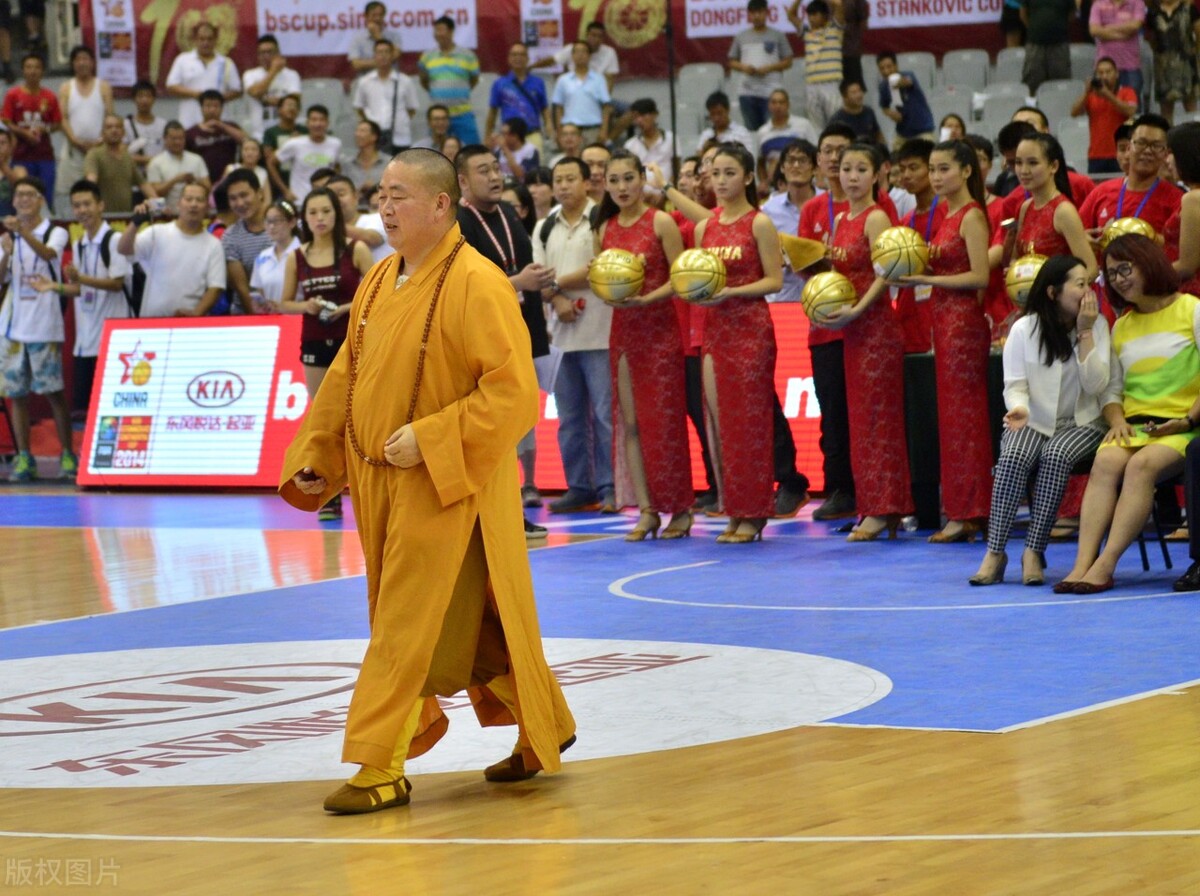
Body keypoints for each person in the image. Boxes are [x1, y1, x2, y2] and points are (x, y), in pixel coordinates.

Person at [278, 148, 576, 814]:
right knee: (472, 623)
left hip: (450, 481)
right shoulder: (382, 279)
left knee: (404, 625)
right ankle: (545, 725)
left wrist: (433, 438)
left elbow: (514, 394)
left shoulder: (479, 280)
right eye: (380, 194)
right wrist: (319, 454)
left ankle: (380, 763)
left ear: (442, 205)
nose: (385, 207)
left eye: (400, 195)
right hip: (383, 482)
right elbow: (346, 382)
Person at [1056, 234, 1200, 592]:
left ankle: (1106, 565)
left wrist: (1187, 421)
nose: (1119, 279)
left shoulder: (1192, 309)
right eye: (1111, 274)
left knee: (1141, 466)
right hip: (1134, 425)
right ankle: (1081, 564)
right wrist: (1117, 421)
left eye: (1125, 269)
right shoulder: (1122, 325)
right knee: (1104, 464)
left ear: (1148, 263)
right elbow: (1112, 389)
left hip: (1182, 425)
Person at [971, 255, 1110, 585]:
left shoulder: (1098, 325)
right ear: (1053, 292)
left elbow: (1097, 385)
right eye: (1079, 285)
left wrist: (1086, 331)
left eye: (1089, 283)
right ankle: (995, 551)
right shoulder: (1024, 328)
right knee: (1014, 457)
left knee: (1056, 456)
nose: (1088, 291)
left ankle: (1033, 550)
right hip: (1033, 418)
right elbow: (1015, 385)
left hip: (1084, 421)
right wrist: (1018, 407)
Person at [455, 145, 560, 534]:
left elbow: (520, 274)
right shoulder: (459, 224)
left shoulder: (510, 216)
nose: (495, 176)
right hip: (482, 344)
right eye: (484, 170)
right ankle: (497, 514)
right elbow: (462, 286)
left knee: (519, 422)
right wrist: (519, 282)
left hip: (520, 333)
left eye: (496, 168)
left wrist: (538, 324)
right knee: (491, 432)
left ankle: (515, 501)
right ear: (463, 181)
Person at [590, 150, 691, 538]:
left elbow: (682, 277)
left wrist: (648, 298)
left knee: (665, 423)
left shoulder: (661, 221)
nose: (621, 187)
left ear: (641, 179)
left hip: (661, 332)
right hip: (624, 333)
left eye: (628, 178)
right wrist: (607, 293)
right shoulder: (605, 229)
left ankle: (680, 509)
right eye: (613, 180)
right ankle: (647, 510)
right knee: (630, 424)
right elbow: (603, 280)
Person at [898, 139, 994, 542]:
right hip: (943, 319)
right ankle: (960, 508)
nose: (936, 177)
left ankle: (970, 511)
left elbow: (980, 277)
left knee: (966, 419)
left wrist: (928, 279)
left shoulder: (971, 215)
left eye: (944, 169)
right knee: (952, 420)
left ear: (967, 171)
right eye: (932, 170)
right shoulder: (945, 213)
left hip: (962, 322)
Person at [817, 141, 913, 540]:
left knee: (880, 420)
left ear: (877, 175)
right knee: (860, 422)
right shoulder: (841, 220)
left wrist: (859, 310)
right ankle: (875, 505)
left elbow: (886, 273)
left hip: (874, 329)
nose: (851, 177)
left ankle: (884, 507)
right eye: (845, 169)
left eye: (860, 169)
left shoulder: (876, 219)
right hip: (852, 331)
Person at [694, 142, 784, 542]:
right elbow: (697, 276)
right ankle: (734, 509)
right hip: (715, 328)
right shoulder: (704, 226)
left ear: (748, 177)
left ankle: (753, 512)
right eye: (716, 173)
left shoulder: (759, 223)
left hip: (750, 328)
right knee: (721, 423)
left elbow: (774, 281)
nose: (722, 180)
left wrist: (730, 292)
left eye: (730, 172)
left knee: (750, 422)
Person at [277, 185, 374, 519]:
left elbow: (376, 295)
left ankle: (362, 485)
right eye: (313, 213)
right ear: (304, 218)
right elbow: (284, 301)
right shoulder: (297, 256)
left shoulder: (356, 249)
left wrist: (345, 307)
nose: (320, 218)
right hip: (315, 341)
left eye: (326, 211)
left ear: (337, 213)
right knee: (322, 417)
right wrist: (306, 304)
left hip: (352, 342)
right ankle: (326, 491)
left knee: (359, 414)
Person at [533, 157, 615, 514]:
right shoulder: (544, 226)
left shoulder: (602, 218)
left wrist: (555, 285)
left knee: (604, 415)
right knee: (569, 418)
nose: (564, 185)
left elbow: (602, 269)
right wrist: (559, 297)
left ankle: (611, 487)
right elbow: (536, 278)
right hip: (561, 335)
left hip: (600, 331)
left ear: (586, 182)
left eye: (570, 178)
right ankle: (580, 486)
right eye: (558, 179)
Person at [28, 179, 130, 418]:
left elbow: (117, 284)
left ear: (101, 205)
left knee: (112, 411)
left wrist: (81, 278)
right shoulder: (80, 243)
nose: (82, 211)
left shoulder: (113, 240)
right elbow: (79, 289)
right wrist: (54, 286)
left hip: (112, 339)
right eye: (77, 206)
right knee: (85, 414)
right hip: (86, 341)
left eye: (87, 204)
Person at [798, 123, 858, 520]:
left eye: (842, 151)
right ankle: (838, 488)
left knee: (868, 412)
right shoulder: (812, 210)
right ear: (818, 161)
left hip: (863, 324)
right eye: (828, 151)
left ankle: (873, 488)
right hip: (823, 328)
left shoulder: (875, 207)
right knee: (832, 414)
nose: (834, 158)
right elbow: (805, 269)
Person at [0, 175, 72, 481]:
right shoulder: (8, 237)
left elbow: (48, 254)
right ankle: (25, 457)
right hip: (14, 326)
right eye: (20, 196)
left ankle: (68, 454)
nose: (24, 199)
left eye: (30, 194)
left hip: (44, 324)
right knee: (16, 394)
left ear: (41, 199)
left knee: (53, 391)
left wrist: (22, 234)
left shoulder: (55, 231)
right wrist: (7, 251)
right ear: (14, 202)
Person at [991, 133, 1098, 291]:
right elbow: (1017, 259)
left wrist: (1060, 296)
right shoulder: (1025, 207)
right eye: (1018, 163)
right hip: (1031, 303)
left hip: (1056, 308)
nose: (1023, 170)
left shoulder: (1063, 211)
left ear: (1053, 166)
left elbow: (1091, 269)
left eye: (1033, 163)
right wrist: (1015, 274)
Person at [117, 182, 226, 317]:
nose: (193, 204)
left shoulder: (214, 244)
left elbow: (215, 287)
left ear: (208, 208)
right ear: (178, 204)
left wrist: (195, 316)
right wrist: (135, 222)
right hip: (151, 324)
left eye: (199, 200)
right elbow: (123, 249)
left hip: (189, 327)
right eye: (188, 199)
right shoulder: (157, 232)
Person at [1078, 113, 1183, 237]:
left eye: (1156, 146)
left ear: (1165, 153)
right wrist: (1084, 240)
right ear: (1128, 148)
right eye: (1141, 143)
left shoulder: (1176, 201)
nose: (1147, 151)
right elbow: (1076, 235)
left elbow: (1180, 249)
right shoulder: (1100, 193)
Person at [56, 45, 111, 213]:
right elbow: (62, 118)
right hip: (73, 149)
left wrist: (99, 141)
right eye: (78, 60)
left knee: (97, 193)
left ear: (93, 62)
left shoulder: (103, 87)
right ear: (73, 64)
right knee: (66, 192)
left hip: (98, 150)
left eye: (85, 59)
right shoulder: (66, 87)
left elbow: (110, 117)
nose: (82, 63)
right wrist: (75, 141)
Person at [763, 139, 818, 304]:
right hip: (783, 296)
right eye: (790, 160)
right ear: (782, 167)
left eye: (802, 161)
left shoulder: (827, 202)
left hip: (822, 293)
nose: (795, 166)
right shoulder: (769, 209)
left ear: (814, 168)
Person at [1, 53, 60, 204]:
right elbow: (6, 120)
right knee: (22, 196)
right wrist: (24, 133)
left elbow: (57, 124)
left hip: (45, 156)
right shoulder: (13, 95)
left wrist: (43, 129)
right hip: (20, 155)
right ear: (23, 70)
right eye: (29, 67)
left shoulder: (50, 96)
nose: (33, 71)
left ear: (42, 71)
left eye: (37, 67)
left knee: (45, 197)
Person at [729, 0, 795, 133]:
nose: (757, 16)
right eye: (753, 13)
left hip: (771, 92)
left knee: (773, 129)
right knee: (752, 132)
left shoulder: (778, 35)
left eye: (760, 12)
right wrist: (744, 68)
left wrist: (769, 68)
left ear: (767, 13)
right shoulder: (741, 36)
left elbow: (788, 61)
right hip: (747, 92)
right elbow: (731, 61)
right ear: (749, 15)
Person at [166, 21, 242, 131]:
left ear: (216, 40)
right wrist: (197, 95)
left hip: (219, 122)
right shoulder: (183, 60)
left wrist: (215, 100)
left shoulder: (226, 62)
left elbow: (237, 90)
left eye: (209, 39)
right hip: (189, 122)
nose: (205, 43)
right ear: (195, 39)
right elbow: (171, 86)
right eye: (201, 39)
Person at [418, 16, 481, 145]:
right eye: (436, 30)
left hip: (462, 115)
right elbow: (424, 81)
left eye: (442, 30)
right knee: (436, 155)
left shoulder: (468, 55)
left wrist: (456, 91)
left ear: (451, 31)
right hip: (438, 118)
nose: (438, 34)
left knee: (471, 151)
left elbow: (473, 80)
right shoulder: (427, 56)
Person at [1070, 57, 1139, 175]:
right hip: (1096, 155)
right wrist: (1086, 92)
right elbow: (1074, 113)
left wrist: (1108, 95)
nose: (1104, 76)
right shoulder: (1091, 96)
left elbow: (1130, 111)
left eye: (1108, 72)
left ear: (1116, 74)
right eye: (1100, 73)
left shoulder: (1127, 92)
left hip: (1120, 153)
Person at [786, 0, 845, 130]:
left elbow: (839, 4)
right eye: (809, 15)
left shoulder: (835, 29)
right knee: (816, 128)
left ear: (825, 15)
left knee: (836, 125)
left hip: (831, 85)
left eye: (815, 15)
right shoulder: (807, 32)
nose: (811, 18)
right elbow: (790, 15)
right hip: (811, 85)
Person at [221, 169, 273, 315]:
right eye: (233, 198)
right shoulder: (230, 237)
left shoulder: (283, 226)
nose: (240, 203)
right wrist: (257, 321)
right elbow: (242, 289)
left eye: (244, 195)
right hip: (246, 314)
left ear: (260, 193)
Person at [353, 38, 418, 153]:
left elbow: (411, 109)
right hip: (374, 139)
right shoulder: (365, 82)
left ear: (393, 55)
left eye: (386, 52)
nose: (383, 56)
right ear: (374, 56)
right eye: (379, 52)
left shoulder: (405, 81)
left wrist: (399, 121)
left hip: (400, 138)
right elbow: (359, 108)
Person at [83, 113, 155, 214]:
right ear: (102, 132)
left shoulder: (128, 157)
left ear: (123, 132)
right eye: (109, 127)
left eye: (118, 127)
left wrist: (159, 205)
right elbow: (90, 185)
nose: (114, 130)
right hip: (102, 218)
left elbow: (144, 185)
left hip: (125, 218)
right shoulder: (94, 155)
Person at [271, 104, 342, 204]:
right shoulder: (295, 143)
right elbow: (271, 162)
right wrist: (285, 191)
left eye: (322, 120)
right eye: (314, 120)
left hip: (326, 200)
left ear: (327, 123)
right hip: (299, 201)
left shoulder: (336, 144)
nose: (318, 124)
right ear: (307, 123)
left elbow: (337, 167)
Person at [487, 44, 551, 151]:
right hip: (509, 137)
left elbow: (544, 108)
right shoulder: (500, 83)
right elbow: (492, 112)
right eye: (514, 55)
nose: (518, 58)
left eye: (522, 55)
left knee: (535, 167)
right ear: (508, 58)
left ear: (527, 58)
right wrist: (487, 135)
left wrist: (549, 127)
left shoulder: (538, 82)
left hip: (533, 135)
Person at [1145, 0, 1199, 123]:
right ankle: (1168, 139)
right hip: (1163, 67)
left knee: (1191, 106)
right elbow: (1151, 39)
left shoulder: (1189, 9)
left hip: (1186, 65)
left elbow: (1198, 32)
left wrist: (1193, 52)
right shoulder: (1153, 12)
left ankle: (1194, 138)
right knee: (1166, 109)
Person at [551, 41, 612, 148]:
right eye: (577, 52)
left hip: (593, 130)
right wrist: (559, 131)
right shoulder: (563, 80)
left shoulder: (599, 79)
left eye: (584, 52)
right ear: (572, 56)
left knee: (592, 161)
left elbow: (606, 107)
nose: (580, 55)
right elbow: (558, 108)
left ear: (589, 56)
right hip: (570, 130)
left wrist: (604, 130)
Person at [1163, 121, 1200, 296]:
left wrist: (1146, 276)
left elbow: (1187, 266)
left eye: (1170, 152)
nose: (1166, 160)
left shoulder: (1193, 198)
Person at [244, 34, 302, 141]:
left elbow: (294, 103)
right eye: (262, 53)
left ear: (278, 53)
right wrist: (274, 70)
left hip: (286, 134)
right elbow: (256, 92)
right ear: (257, 55)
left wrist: (264, 99)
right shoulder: (250, 75)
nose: (266, 56)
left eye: (270, 52)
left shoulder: (292, 75)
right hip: (259, 135)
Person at [755, 89, 818, 184]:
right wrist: (764, 182)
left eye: (781, 102)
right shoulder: (762, 132)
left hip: (804, 182)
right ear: (769, 105)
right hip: (775, 185)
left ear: (788, 104)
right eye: (774, 102)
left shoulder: (804, 125)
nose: (778, 106)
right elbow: (760, 163)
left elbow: (816, 154)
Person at [146, 121, 210, 212]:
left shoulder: (197, 159)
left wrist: (195, 180)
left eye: (181, 138)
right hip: (167, 214)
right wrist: (175, 180)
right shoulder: (156, 162)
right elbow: (153, 193)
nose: (177, 142)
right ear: (165, 138)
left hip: (194, 213)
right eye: (173, 138)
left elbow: (208, 188)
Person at [876, 52, 935, 151]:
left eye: (889, 67)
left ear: (896, 66)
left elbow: (908, 81)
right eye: (882, 68)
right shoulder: (883, 86)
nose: (886, 71)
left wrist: (898, 83)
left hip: (923, 130)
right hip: (902, 132)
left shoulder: (908, 75)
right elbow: (884, 106)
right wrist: (890, 113)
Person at [1090, 0, 1147, 101]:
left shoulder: (1137, 2)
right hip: (1104, 68)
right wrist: (1123, 33)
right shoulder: (1098, 4)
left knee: (1132, 108)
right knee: (1103, 106)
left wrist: (1106, 28)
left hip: (1130, 66)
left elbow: (1135, 26)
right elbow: (1094, 30)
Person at [249, 198, 300, 312]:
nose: (271, 226)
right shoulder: (262, 256)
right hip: (272, 319)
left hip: (299, 318)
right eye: (268, 221)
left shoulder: (303, 253)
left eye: (276, 221)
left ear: (292, 222)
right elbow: (260, 290)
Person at [185, 90, 246, 185]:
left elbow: (246, 140)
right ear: (201, 108)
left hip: (230, 179)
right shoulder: (191, 133)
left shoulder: (231, 126)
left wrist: (221, 126)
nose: (212, 110)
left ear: (222, 108)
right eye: (208, 106)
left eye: (216, 106)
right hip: (203, 182)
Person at [327, 173, 387, 259]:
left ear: (355, 196)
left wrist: (332, 225)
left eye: (341, 194)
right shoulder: (325, 230)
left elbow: (371, 238)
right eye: (331, 197)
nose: (336, 200)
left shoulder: (376, 218)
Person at [1021, 0, 1075, 95]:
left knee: (1061, 82)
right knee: (1032, 81)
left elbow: (1071, 15)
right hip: (1035, 43)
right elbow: (1023, 14)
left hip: (1059, 43)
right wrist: (1036, 29)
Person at [263, 94, 306, 200]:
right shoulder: (271, 132)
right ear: (279, 110)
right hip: (279, 185)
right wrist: (289, 143)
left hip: (302, 184)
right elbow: (269, 158)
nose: (292, 108)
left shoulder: (305, 131)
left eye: (295, 106)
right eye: (288, 105)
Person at [624, 98, 676, 185]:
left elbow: (676, 170)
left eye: (643, 115)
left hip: (667, 192)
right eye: (636, 117)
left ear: (655, 114)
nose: (639, 120)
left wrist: (665, 192)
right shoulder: (630, 145)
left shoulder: (671, 138)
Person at [124, 80, 168, 177]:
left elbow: (168, 155)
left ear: (154, 99)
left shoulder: (163, 125)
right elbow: (122, 155)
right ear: (133, 99)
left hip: (158, 178)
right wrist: (150, 159)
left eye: (148, 96)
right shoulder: (125, 125)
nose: (144, 100)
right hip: (134, 178)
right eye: (140, 96)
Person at [347, 0, 403, 73]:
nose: (377, 19)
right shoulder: (357, 39)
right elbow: (356, 64)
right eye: (374, 15)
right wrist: (383, 62)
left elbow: (395, 55)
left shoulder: (394, 36)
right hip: (366, 81)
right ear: (366, 16)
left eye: (380, 15)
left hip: (390, 79)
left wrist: (378, 37)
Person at [695, 91, 755, 156]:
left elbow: (750, 157)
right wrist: (704, 150)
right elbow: (698, 159)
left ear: (728, 110)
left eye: (719, 113)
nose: (716, 118)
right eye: (712, 114)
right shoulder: (706, 135)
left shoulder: (741, 132)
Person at [828, 79, 883, 144]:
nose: (859, 95)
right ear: (844, 97)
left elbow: (878, 134)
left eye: (860, 90)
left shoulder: (869, 112)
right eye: (854, 92)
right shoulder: (836, 120)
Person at [343, 120, 388, 197]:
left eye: (362, 131)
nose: (357, 134)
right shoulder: (348, 164)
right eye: (357, 131)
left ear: (374, 137)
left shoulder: (388, 162)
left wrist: (375, 189)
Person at [222, 137, 272, 205]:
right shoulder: (231, 169)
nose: (250, 153)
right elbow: (222, 194)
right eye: (246, 149)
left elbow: (267, 199)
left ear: (260, 155)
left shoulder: (262, 172)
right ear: (241, 153)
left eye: (254, 150)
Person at [0, 129, 28, 216]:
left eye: (2, 143)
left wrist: (3, 165)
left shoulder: (19, 170)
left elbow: (21, 187)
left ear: (10, 146)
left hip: (11, 221)